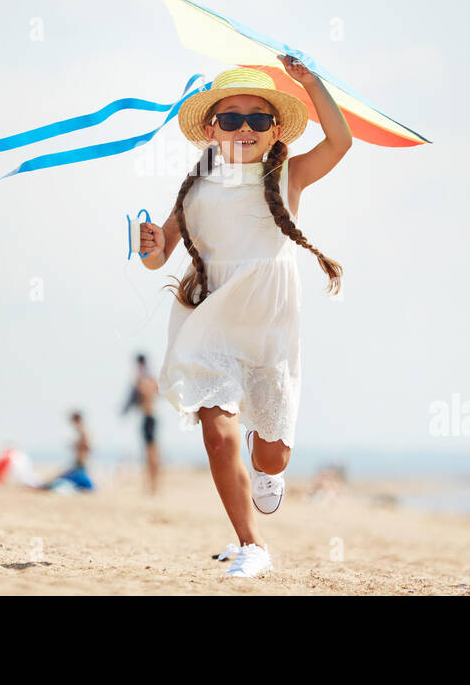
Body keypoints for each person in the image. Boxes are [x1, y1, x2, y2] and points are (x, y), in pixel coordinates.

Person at [139, 58, 351, 578]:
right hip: (211, 322)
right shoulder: (195, 189)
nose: (244, 130)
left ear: (275, 130)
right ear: (210, 129)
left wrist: (310, 84)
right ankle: (251, 544)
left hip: (270, 331)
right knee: (217, 432)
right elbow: (159, 255)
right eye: (230, 120)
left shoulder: (287, 175)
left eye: (258, 120)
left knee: (274, 459)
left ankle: (264, 459)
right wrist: (150, 244)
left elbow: (340, 143)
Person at [122, 353, 161, 493]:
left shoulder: (143, 380)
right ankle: (152, 485)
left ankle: (152, 485)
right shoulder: (151, 379)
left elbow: (141, 395)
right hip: (150, 417)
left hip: (149, 417)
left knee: (151, 453)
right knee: (151, 452)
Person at [41, 411, 94, 491]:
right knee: (64, 476)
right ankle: (47, 486)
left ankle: (47, 486)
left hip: (80, 463)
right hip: (79, 463)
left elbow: (88, 446)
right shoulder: (82, 431)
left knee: (65, 478)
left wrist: (76, 446)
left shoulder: (83, 431)